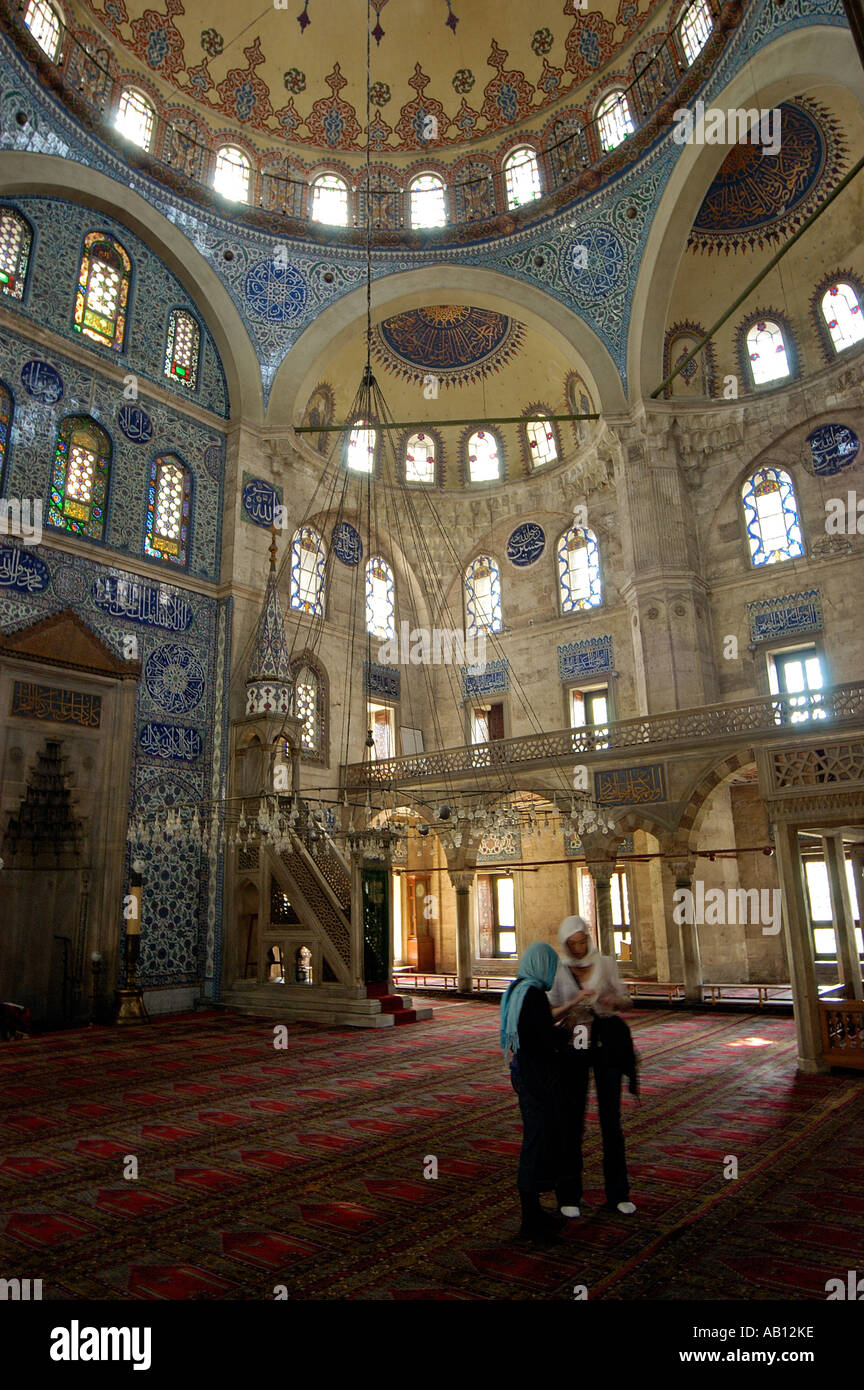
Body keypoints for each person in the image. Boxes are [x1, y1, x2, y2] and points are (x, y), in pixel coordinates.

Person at [548, 915, 638, 1219]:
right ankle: (569, 1194)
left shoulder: (606, 963)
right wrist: (574, 1004)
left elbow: (625, 1001)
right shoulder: (558, 969)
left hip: (607, 1042)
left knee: (610, 1120)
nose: (577, 947)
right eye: (572, 943)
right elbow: (551, 1011)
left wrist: (613, 1001)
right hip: (574, 1044)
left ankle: (619, 1193)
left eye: (581, 940)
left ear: (588, 936)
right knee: (571, 1119)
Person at [500, 941, 567, 1242]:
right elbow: (541, 1038)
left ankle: (534, 1212)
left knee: (536, 1138)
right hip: (535, 1076)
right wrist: (566, 1032)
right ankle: (530, 1219)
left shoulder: (518, 989)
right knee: (536, 1141)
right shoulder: (534, 995)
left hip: (522, 1072)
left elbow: (529, 1031)